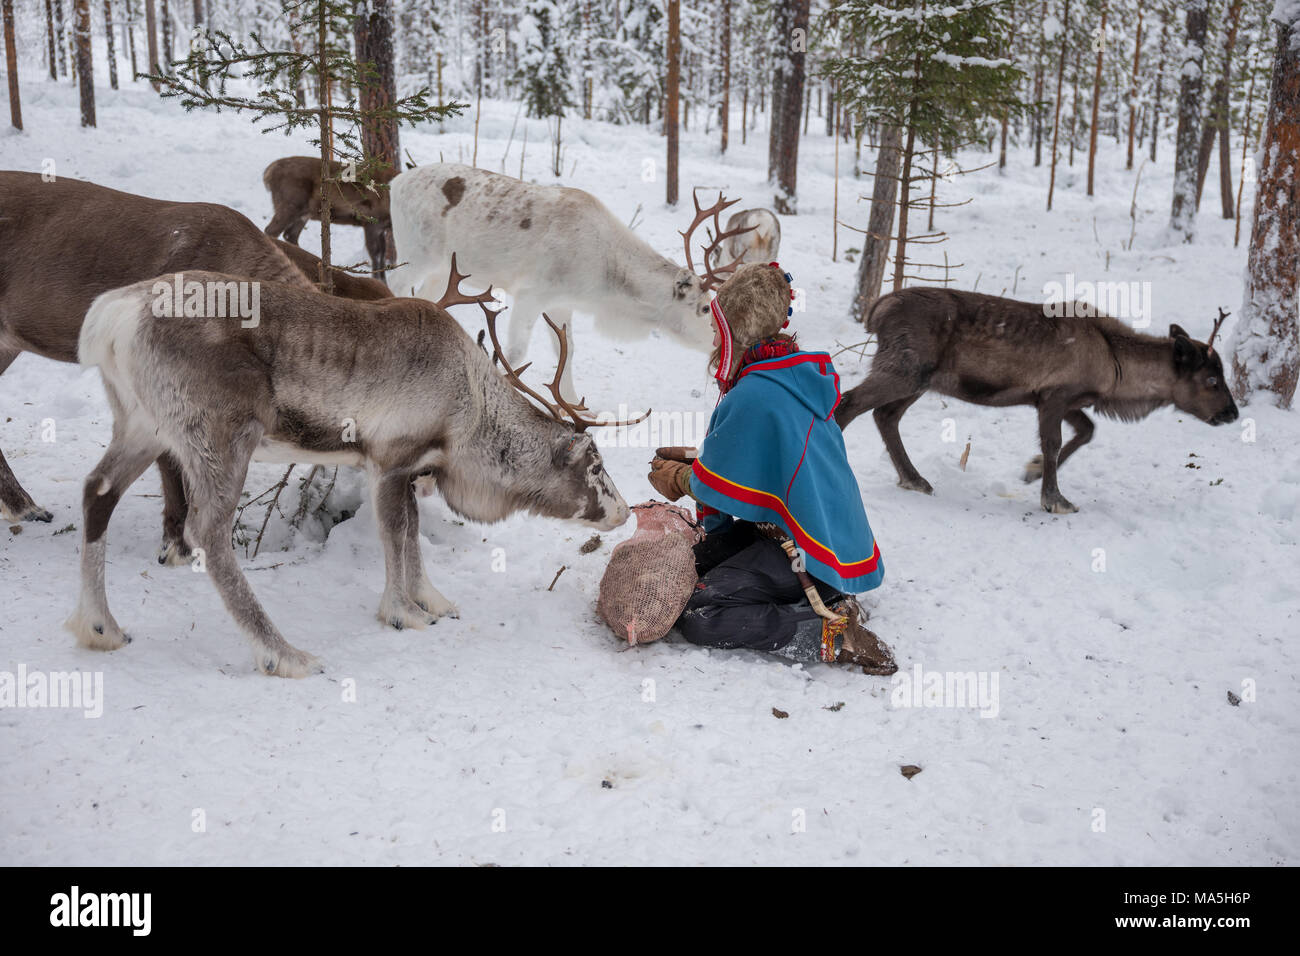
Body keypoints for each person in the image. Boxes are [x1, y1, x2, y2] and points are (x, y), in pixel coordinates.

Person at [647, 262, 896, 674]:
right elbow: (766, 464)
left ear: (736, 332)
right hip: (820, 538)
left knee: (700, 613)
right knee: (701, 561)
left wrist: (682, 479)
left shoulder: (757, 394)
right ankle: (824, 599)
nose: (712, 335)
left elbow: (725, 478)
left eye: (718, 327)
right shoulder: (788, 375)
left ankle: (830, 633)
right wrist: (698, 462)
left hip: (810, 550)